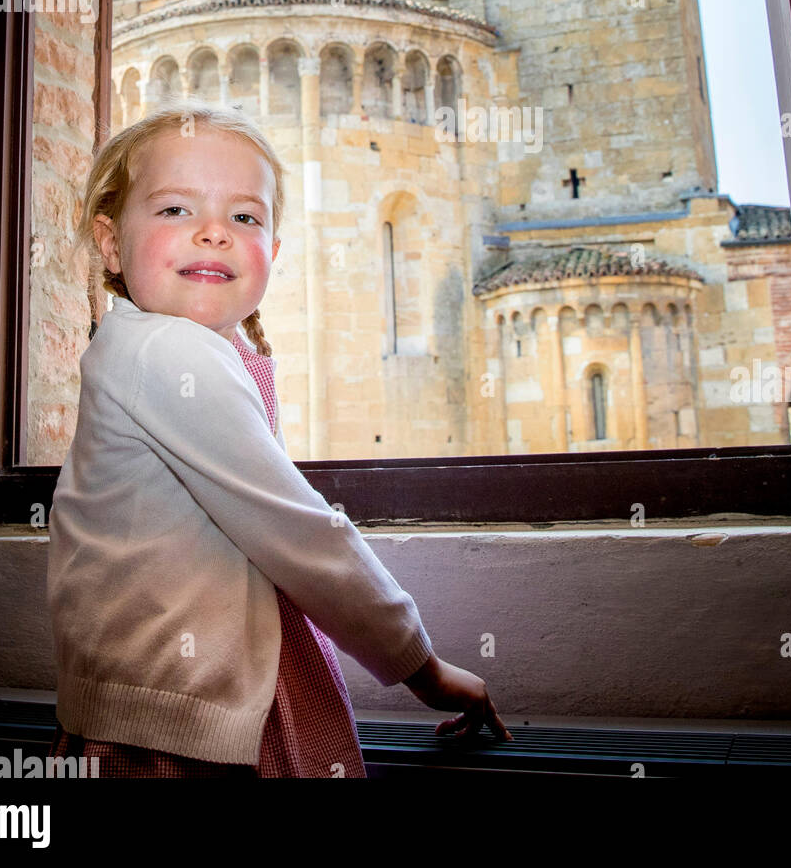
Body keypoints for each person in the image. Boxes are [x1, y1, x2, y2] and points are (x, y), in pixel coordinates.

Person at [46, 100, 511, 777]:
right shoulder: (166, 353)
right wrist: (421, 666)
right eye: (176, 210)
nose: (213, 233)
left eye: (244, 217)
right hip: (178, 743)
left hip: (169, 716)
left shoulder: (160, 349)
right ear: (111, 241)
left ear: (274, 252)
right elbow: (305, 539)